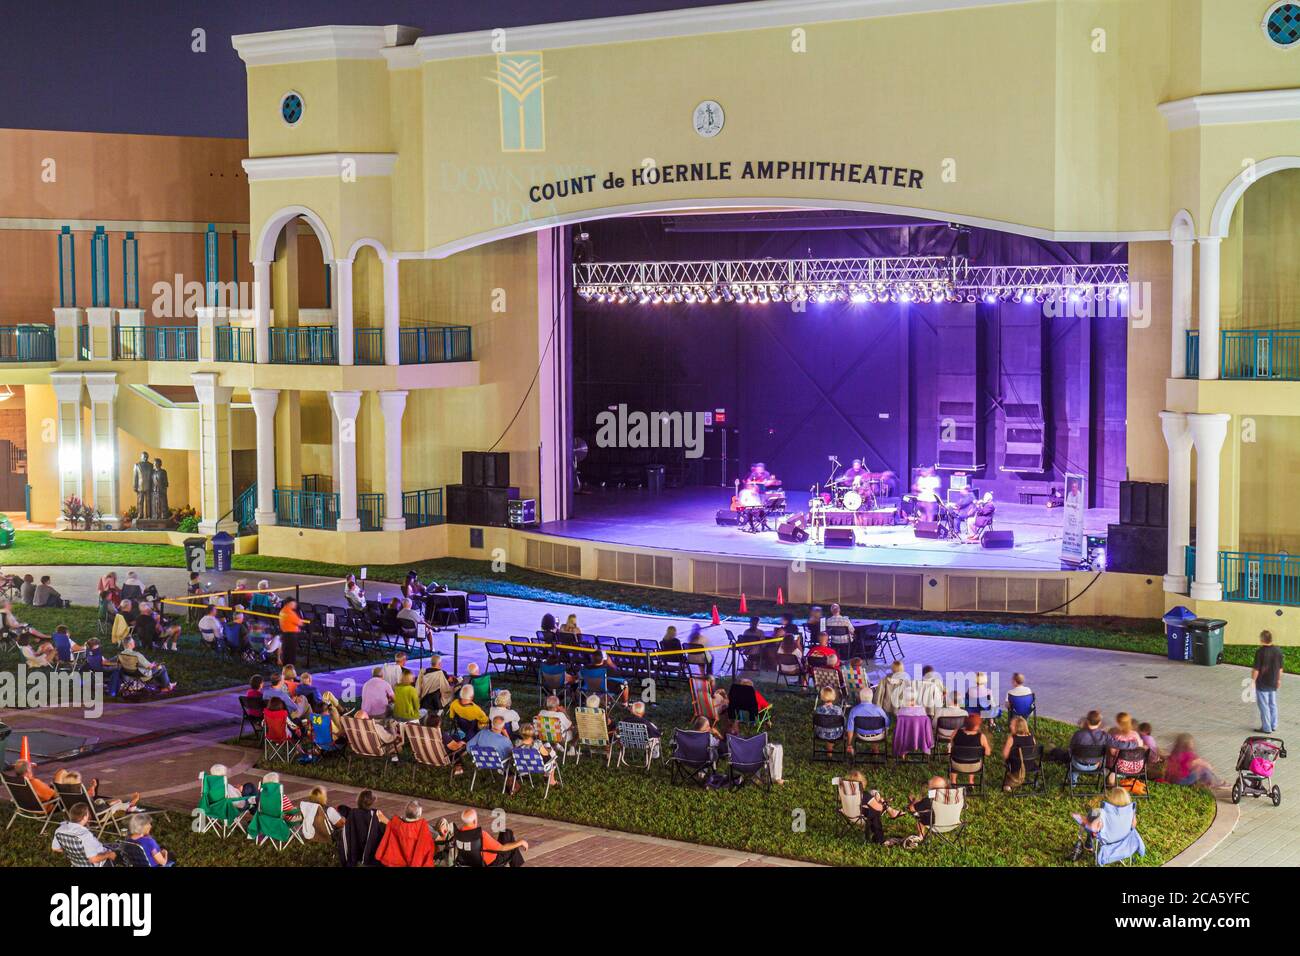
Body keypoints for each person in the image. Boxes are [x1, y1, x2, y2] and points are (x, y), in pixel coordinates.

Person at [454, 808, 528, 867]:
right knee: (512, 845)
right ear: (474, 821)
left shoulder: (459, 833)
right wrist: (521, 842)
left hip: (469, 860)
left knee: (506, 832)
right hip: (491, 861)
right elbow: (502, 848)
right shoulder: (481, 835)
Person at [375, 801, 438, 867]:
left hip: (396, 861)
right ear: (419, 815)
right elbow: (430, 845)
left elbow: (391, 826)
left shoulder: (395, 823)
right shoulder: (423, 827)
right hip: (415, 862)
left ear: (405, 812)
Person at [50, 803, 116, 866]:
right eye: (88, 814)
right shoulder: (85, 835)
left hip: (77, 863)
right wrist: (109, 855)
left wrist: (72, 851)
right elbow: (93, 859)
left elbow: (55, 849)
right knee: (120, 851)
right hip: (98, 863)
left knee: (108, 845)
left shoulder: (59, 830)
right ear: (84, 817)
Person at [337, 789, 388, 866]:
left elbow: (341, 808)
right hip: (370, 853)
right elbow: (389, 828)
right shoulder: (375, 815)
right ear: (372, 802)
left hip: (355, 850)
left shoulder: (352, 813)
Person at [1252, 629, 1283, 734]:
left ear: (1262, 639)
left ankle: (1266, 728)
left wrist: (1252, 681)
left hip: (1262, 683)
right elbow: (1280, 668)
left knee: (1264, 706)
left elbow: (1256, 669)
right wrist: (1279, 680)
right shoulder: (1278, 651)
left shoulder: (1260, 652)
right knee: (1272, 704)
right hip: (1273, 682)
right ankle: (1274, 725)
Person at [845, 687, 890, 757]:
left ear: (860, 697)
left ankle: (853, 750)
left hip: (861, 736)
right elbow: (887, 723)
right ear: (872, 697)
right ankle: (876, 751)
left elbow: (850, 729)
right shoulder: (878, 709)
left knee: (853, 729)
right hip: (878, 736)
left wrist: (849, 744)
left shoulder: (854, 710)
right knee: (875, 729)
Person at [950, 714, 991, 786]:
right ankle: (971, 782)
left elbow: (951, 745)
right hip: (975, 766)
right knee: (972, 756)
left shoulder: (956, 732)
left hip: (956, 765)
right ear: (976, 726)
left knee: (955, 756)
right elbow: (988, 753)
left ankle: (953, 781)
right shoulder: (981, 737)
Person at [1001, 715, 1038, 791]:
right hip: (1030, 765)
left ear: (1017, 727)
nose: (1010, 726)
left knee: (1008, 762)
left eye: (1012, 724)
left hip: (1016, 767)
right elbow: (1033, 751)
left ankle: (1010, 783)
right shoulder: (1032, 737)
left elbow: (1005, 755)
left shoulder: (1012, 739)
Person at [814, 686, 844, 756]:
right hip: (836, 734)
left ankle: (829, 749)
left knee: (828, 727)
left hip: (821, 733)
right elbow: (843, 722)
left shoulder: (818, 709)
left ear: (822, 696)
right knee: (832, 728)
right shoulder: (838, 709)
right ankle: (830, 749)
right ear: (834, 696)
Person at [277, 599, 304, 667]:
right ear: (288, 603)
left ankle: (285, 671)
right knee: (291, 655)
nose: (295, 605)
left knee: (286, 654)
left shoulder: (282, 611)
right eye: (293, 603)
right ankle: (290, 673)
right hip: (291, 636)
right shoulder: (290, 613)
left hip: (285, 634)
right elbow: (300, 623)